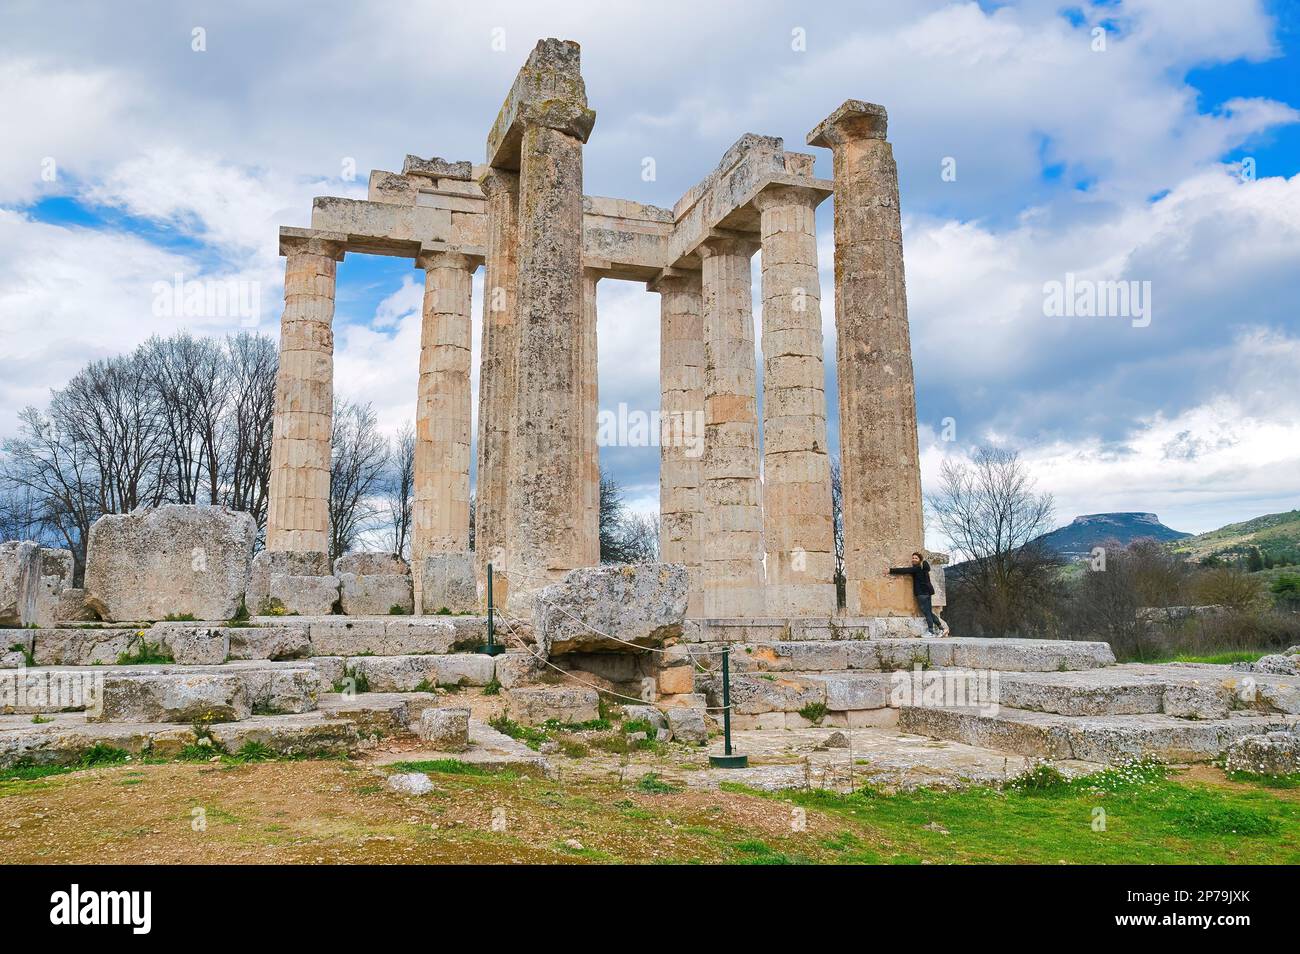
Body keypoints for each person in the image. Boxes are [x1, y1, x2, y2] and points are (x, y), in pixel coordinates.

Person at [887, 552, 941, 635]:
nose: (913, 559)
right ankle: (941, 628)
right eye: (913, 558)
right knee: (929, 612)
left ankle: (931, 631)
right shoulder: (924, 569)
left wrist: (890, 570)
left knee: (927, 612)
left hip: (922, 593)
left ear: (920, 560)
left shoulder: (917, 568)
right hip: (927, 592)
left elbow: (904, 570)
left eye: (916, 558)